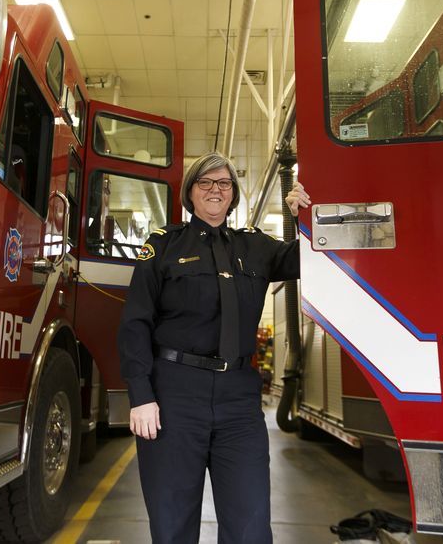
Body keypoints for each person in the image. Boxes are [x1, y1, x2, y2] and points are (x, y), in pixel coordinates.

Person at [117, 152, 310, 543]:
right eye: (206, 182)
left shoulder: (256, 246)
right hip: (173, 395)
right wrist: (140, 395)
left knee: (250, 526)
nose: (215, 190)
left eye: (224, 183)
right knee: (172, 525)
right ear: (191, 192)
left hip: (239, 398)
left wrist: (301, 216)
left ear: (233, 194)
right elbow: (135, 321)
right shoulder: (163, 246)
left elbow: (305, 258)